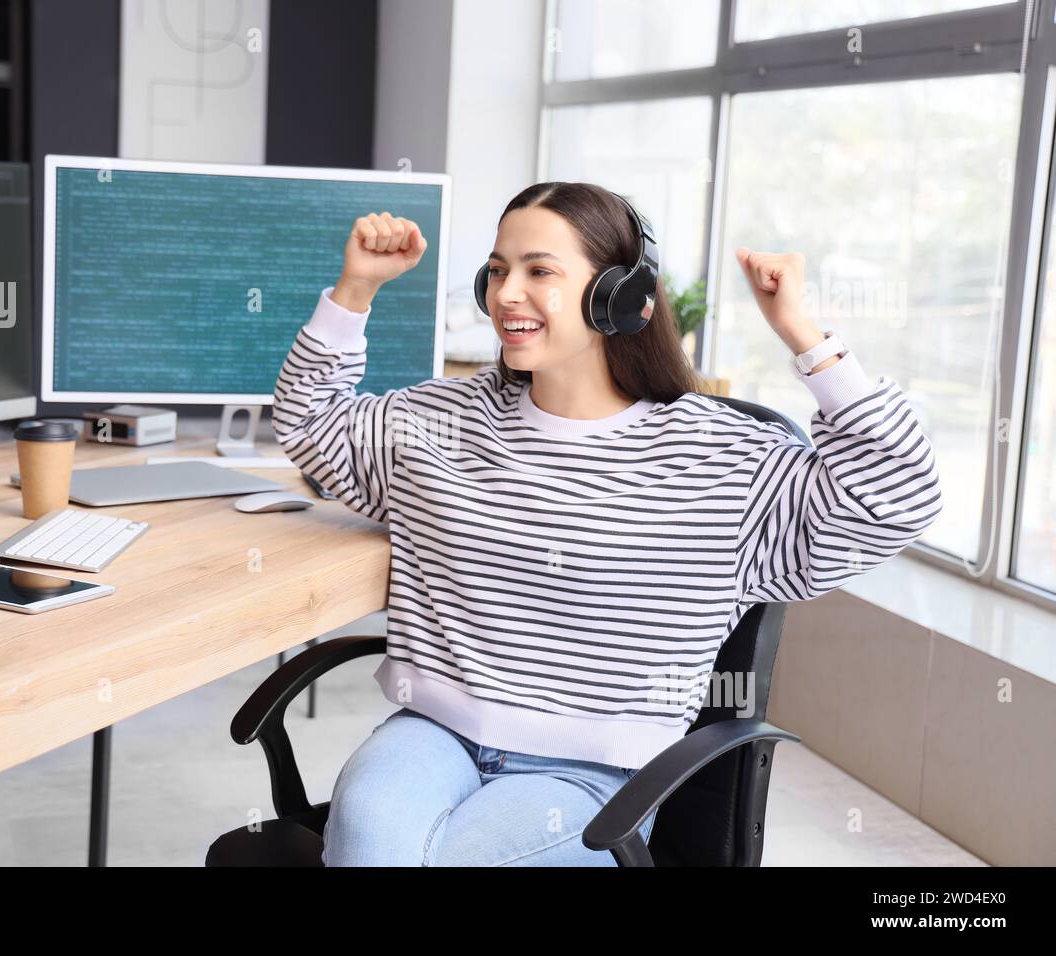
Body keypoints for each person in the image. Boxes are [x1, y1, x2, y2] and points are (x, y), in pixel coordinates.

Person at [271, 181, 943, 866]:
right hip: (433, 734)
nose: (506, 295)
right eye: (498, 270)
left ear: (619, 296)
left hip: (590, 775)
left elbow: (900, 496)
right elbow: (310, 425)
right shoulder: (443, 421)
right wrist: (356, 290)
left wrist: (804, 335)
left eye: (540, 272)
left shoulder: (721, 458)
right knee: (366, 848)